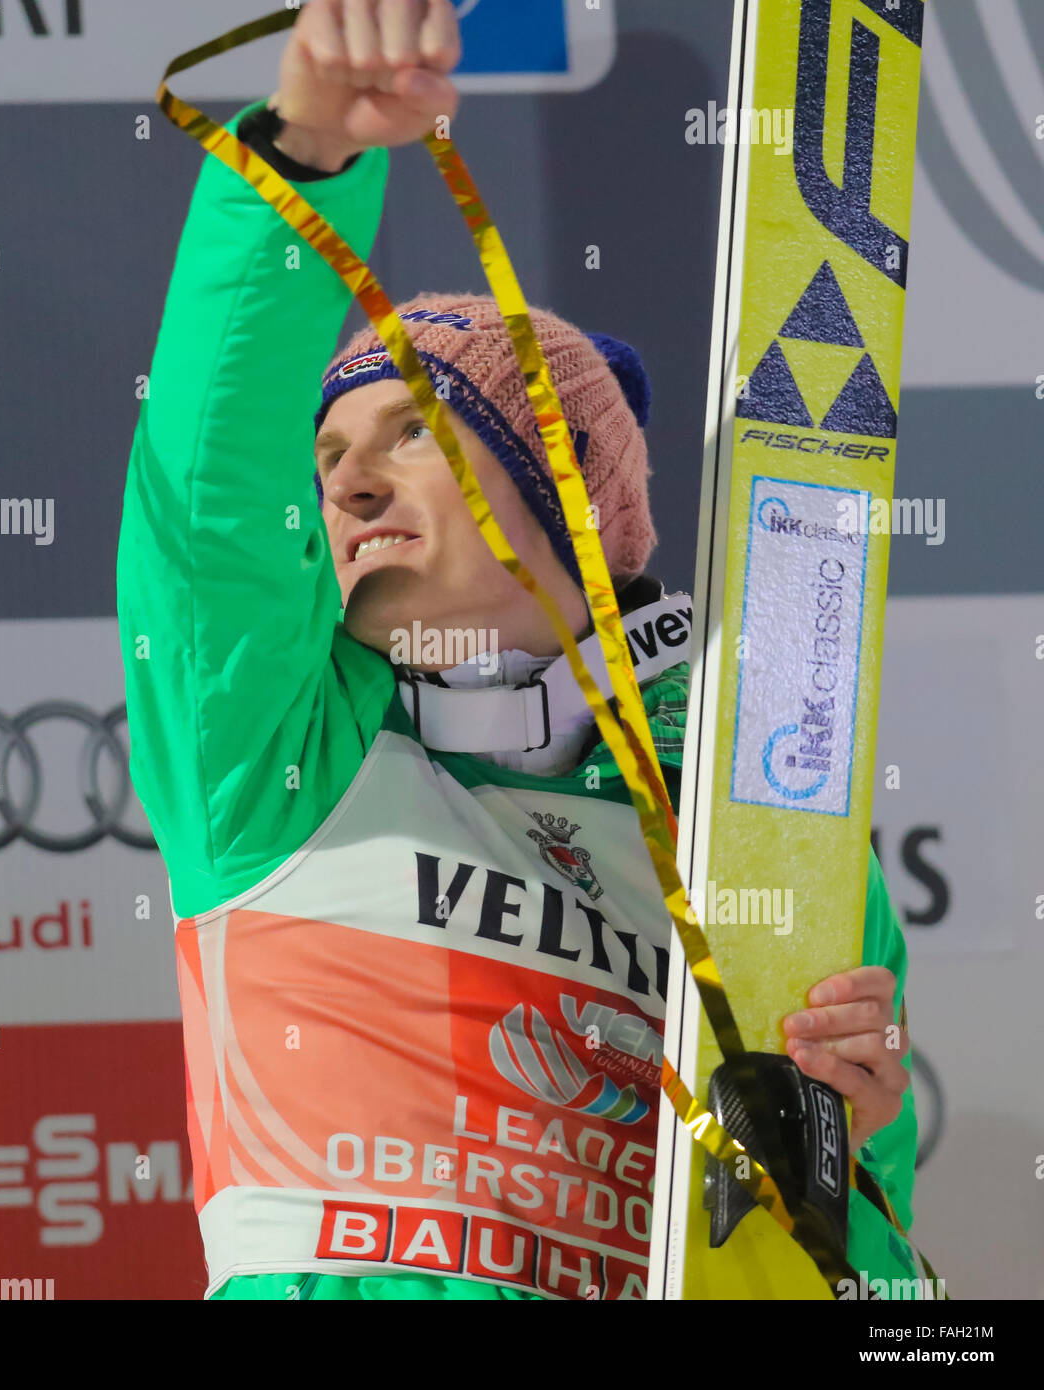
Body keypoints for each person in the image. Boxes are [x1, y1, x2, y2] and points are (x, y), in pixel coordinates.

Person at [117, 0, 918, 1302]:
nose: (351, 484)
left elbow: (856, 1273)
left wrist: (845, 1170)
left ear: (570, 491)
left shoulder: (752, 811)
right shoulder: (271, 755)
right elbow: (205, 501)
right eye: (327, 459)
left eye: (412, 431)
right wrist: (308, 152)